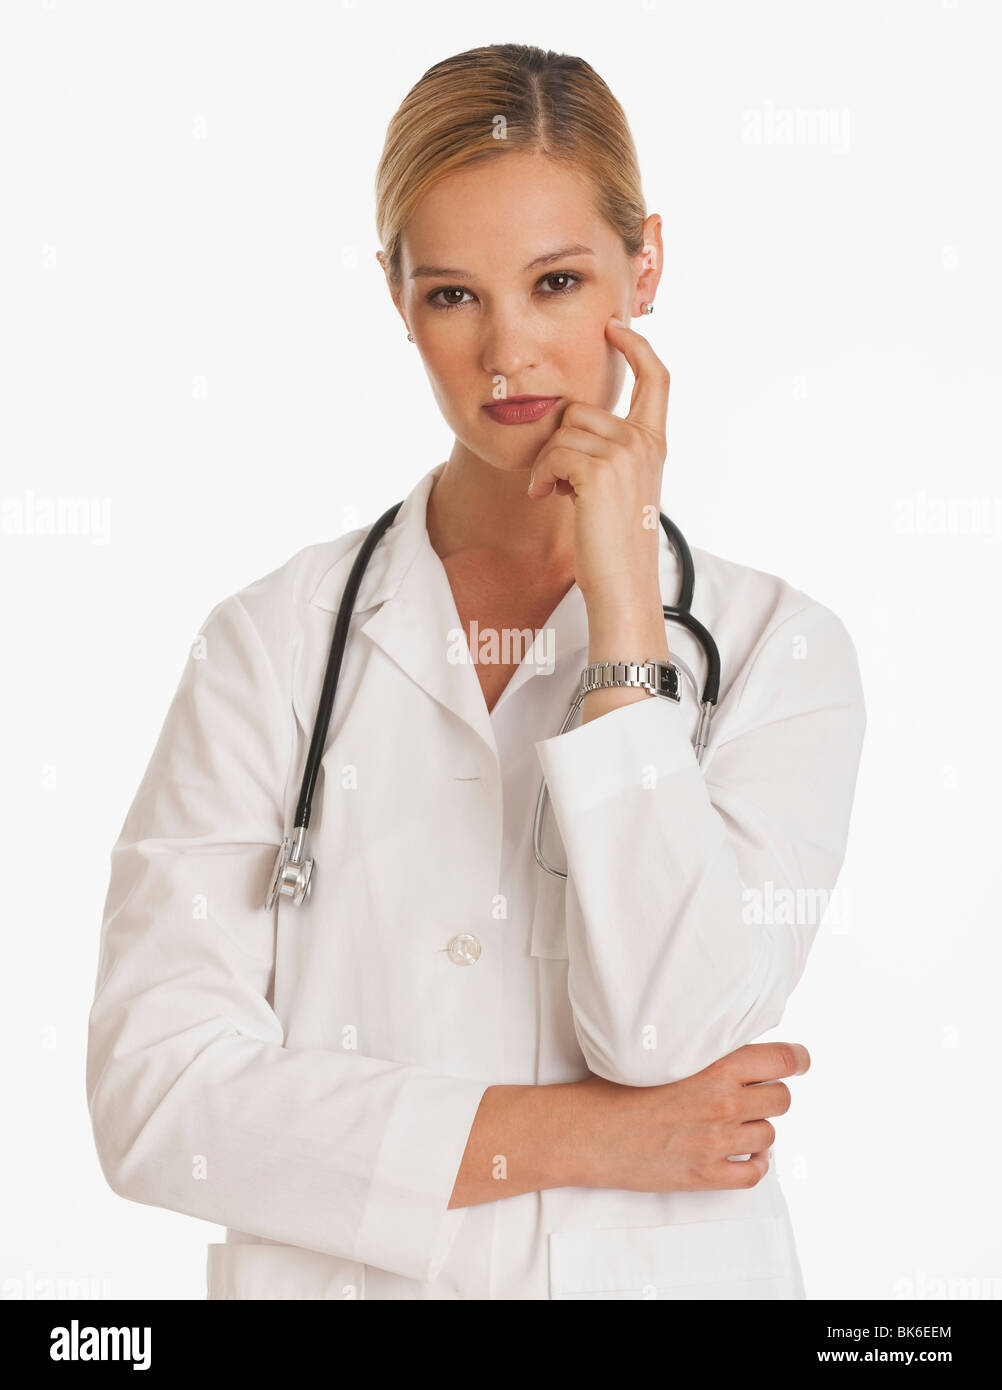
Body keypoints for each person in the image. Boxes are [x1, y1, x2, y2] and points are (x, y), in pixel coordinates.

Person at [86, 42, 866, 1301]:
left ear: (645, 263)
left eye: (557, 281)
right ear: (395, 295)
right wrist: (594, 1136)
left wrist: (626, 624)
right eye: (453, 295)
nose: (508, 353)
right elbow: (155, 1097)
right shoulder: (267, 648)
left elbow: (668, 1030)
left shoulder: (780, 651)